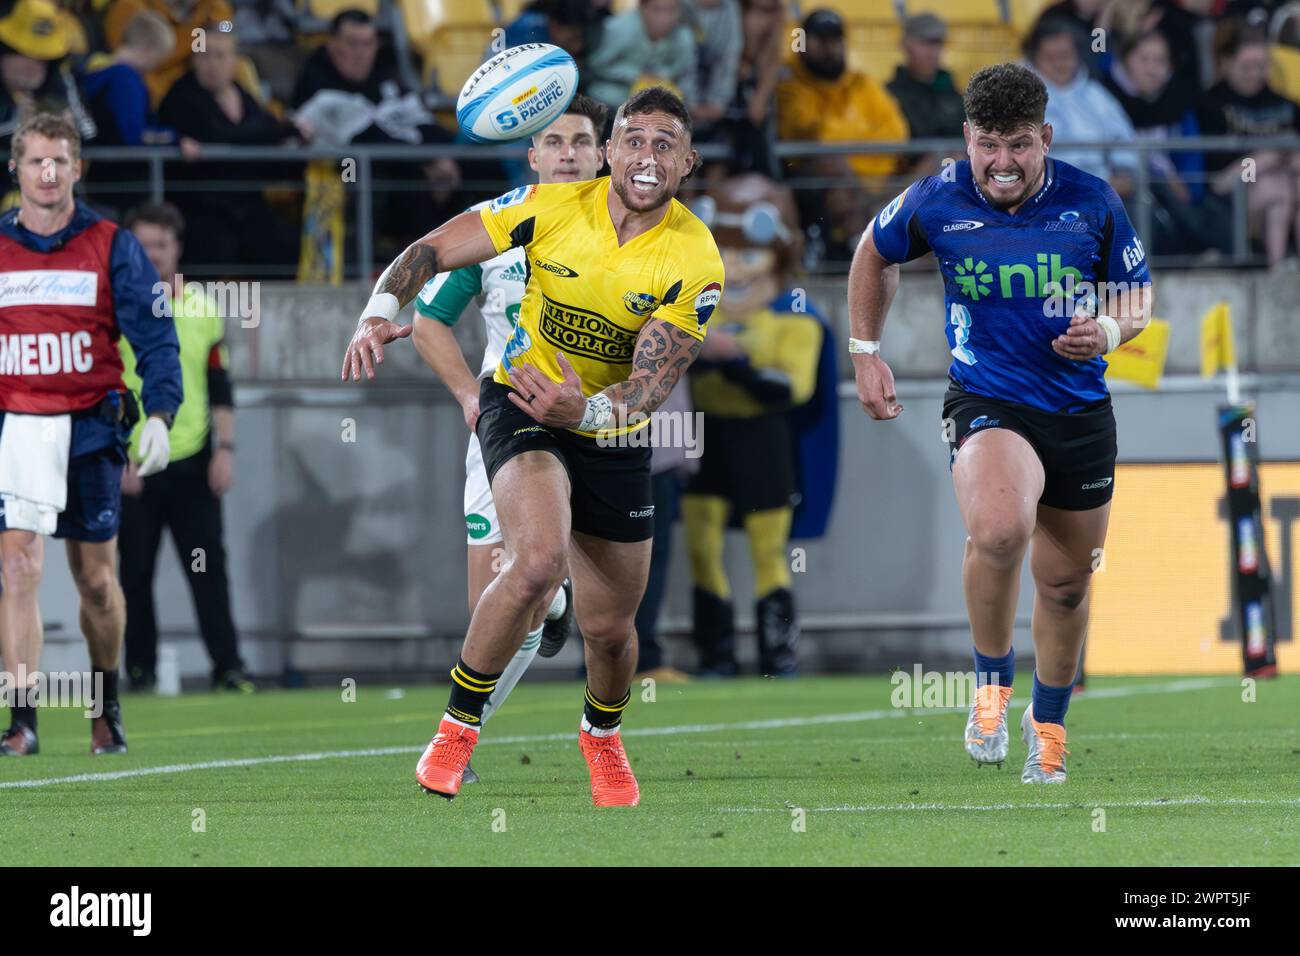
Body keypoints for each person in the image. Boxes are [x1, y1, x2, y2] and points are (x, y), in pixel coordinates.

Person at [341, 86, 724, 806]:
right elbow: (430, 249)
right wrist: (375, 313)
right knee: (537, 562)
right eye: (633, 140)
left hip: (606, 427)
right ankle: (456, 732)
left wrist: (588, 409)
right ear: (608, 154)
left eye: (664, 144)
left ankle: (601, 735)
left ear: (688, 162)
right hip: (519, 399)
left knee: (610, 630)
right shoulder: (547, 208)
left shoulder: (697, 258)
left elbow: (649, 387)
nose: (646, 156)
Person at [847, 64, 1154, 784]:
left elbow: (1137, 295)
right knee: (998, 529)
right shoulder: (937, 197)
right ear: (967, 139)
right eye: (989, 144)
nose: (1003, 162)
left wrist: (1108, 330)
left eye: (1019, 144)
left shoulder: (1092, 200)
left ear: (1045, 137)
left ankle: (1047, 725)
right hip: (988, 400)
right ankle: (989, 688)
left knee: (1067, 585)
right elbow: (873, 252)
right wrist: (866, 352)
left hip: (1078, 411)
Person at [407, 97, 609, 782]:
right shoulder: (496, 230)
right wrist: (469, 392)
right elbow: (430, 321)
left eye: (582, 142)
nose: (569, 154)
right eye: (554, 142)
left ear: (603, 154)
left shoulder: (631, 228)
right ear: (533, 156)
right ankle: (550, 597)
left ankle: (458, 746)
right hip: (507, 424)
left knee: (605, 610)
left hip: (596, 426)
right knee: (496, 602)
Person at [0, 112, 182, 757]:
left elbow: (156, 337)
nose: (47, 174)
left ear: (78, 168)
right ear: (16, 169)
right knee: (18, 566)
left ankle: (104, 707)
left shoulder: (113, 245)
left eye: (60, 161)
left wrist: (160, 412)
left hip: (89, 427)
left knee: (96, 582)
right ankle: (22, 720)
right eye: (35, 161)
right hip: (17, 425)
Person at [683, 174, 820, 677]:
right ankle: (715, 654)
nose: (736, 267)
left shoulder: (796, 320)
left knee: (768, 551)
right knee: (701, 545)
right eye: (725, 252)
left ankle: (776, 655)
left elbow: (792, 388)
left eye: (750, 254)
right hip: (705, 434)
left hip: (765, 438)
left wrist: (733, 360)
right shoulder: (692, 313)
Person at [117, 200, 250, 693]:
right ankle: (139, 671)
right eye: (143, 244)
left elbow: (219, 384)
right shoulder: (118, 304)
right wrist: (116, 457)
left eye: (161, 244)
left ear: (177, 247)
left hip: (193, 458)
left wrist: (225, 449)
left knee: (208, 570)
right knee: (132, 576)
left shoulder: (202, 307)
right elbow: (107, 382)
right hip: (133, 461)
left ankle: (228, 668)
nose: (152, 254)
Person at [157, 21, 307, 276]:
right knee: (213, 248)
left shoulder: (243, 94)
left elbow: (265, 130)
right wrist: (283, 131)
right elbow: (219, 136)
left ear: (235, 60)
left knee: (284, 247)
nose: (212, 64)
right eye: (204, 56)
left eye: (220, 56)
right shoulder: (181, 95)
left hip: (248, 206)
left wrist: (292, 134)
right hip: (202, 207)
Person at [1197, 19, 1300, 267]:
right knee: (1272, 186)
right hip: (1234, 190)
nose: (1255, 74)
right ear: (1225, 63)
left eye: (1261, 66)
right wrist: (1262, 159)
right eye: (1246, 66)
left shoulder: (1286, 103)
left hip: (1289, 179)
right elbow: (1218, 180)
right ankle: (1275, 268)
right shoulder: (1209, 105)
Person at [1025, 16, 1140, 195]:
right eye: (1049, 58)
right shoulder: (1015, 95)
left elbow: (1124, 143)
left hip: (1101, 193)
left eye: (1065, 56)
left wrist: (1124, 174)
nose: (1058, 64)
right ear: (1033, 57)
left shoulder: (1097, 95)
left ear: (1078, 56)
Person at [104, 0, 233, 108]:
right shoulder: (130, 7)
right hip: (153, 89)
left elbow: (226, 30)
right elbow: (130, 60)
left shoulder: (209, 7)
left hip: (190, 86)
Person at [584, 0, 698, 118]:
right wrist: (635, 75)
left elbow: (685, 73)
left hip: (659, 101)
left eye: (672, 10)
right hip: (612, 97)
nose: (665, 18)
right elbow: (596, 64)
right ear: (641, 8)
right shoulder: (618, 28)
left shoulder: (684, 36)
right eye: (657, 9)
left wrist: (661, 76)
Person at [886, 13, 966, 143]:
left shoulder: (954, 96)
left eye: (938, 43)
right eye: (925, 42)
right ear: (905, 45)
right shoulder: (889, 96)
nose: (933, 51)